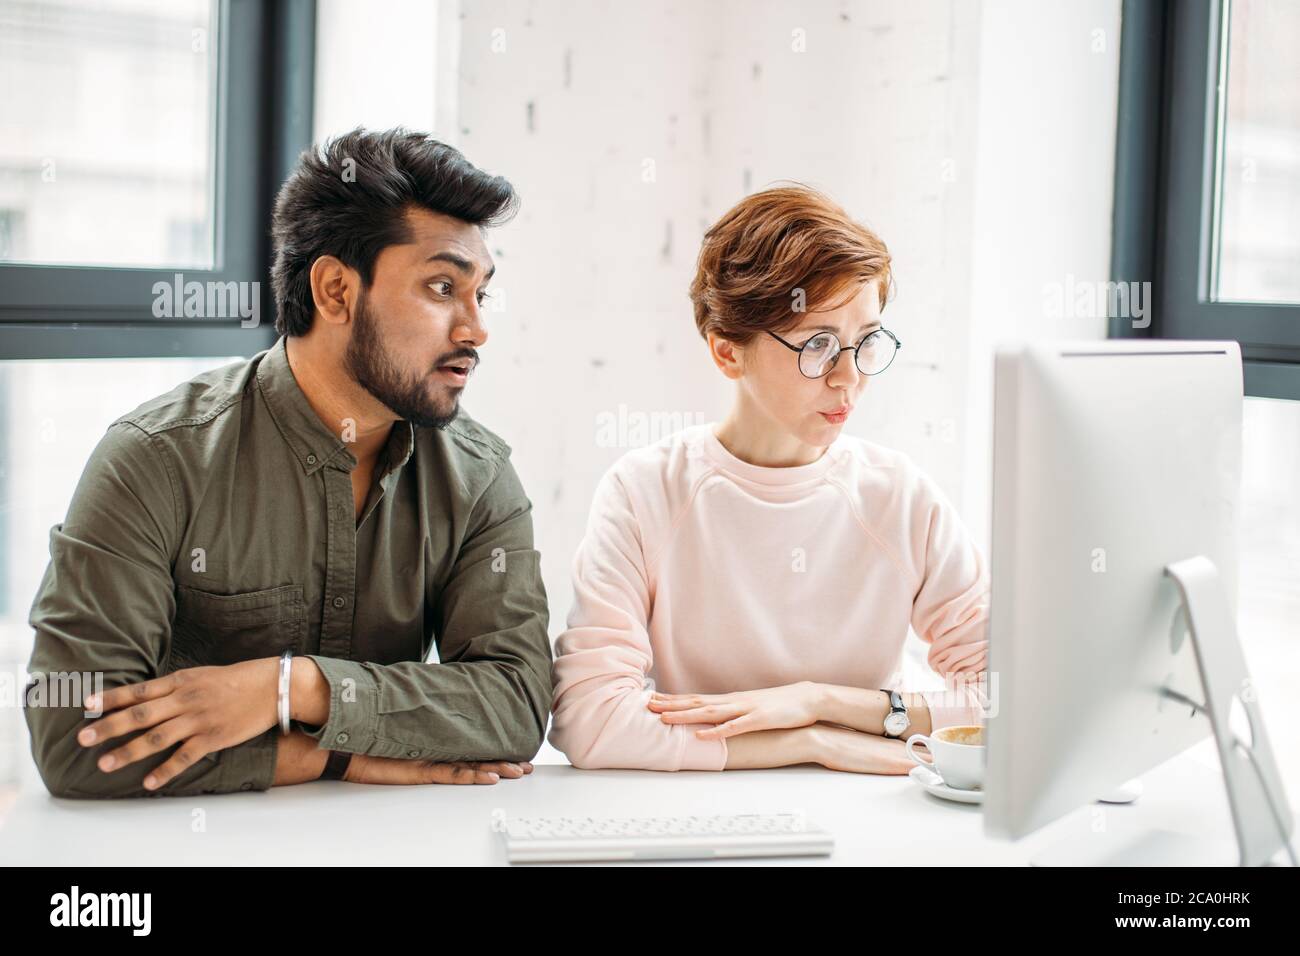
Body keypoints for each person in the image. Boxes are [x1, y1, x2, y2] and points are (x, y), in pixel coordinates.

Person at [23, 127, 551, 797]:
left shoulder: (479, 477)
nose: (476, 329)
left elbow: (516, 704)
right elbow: (75, 737)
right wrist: (330, 758)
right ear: (334, 291)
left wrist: (293, 687)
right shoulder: (156, 459)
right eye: (443, 287)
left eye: (482, 295)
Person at [548, 184, 988, 773]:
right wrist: (812, 741)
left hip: (870, 813)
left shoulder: (900, 496)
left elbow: (1012, 697)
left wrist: (818, 701)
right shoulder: (644, 492)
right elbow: (588, 719)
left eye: (865, 343)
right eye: (818, 346)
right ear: (728, 353)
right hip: (706, 814)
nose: (847, 379)